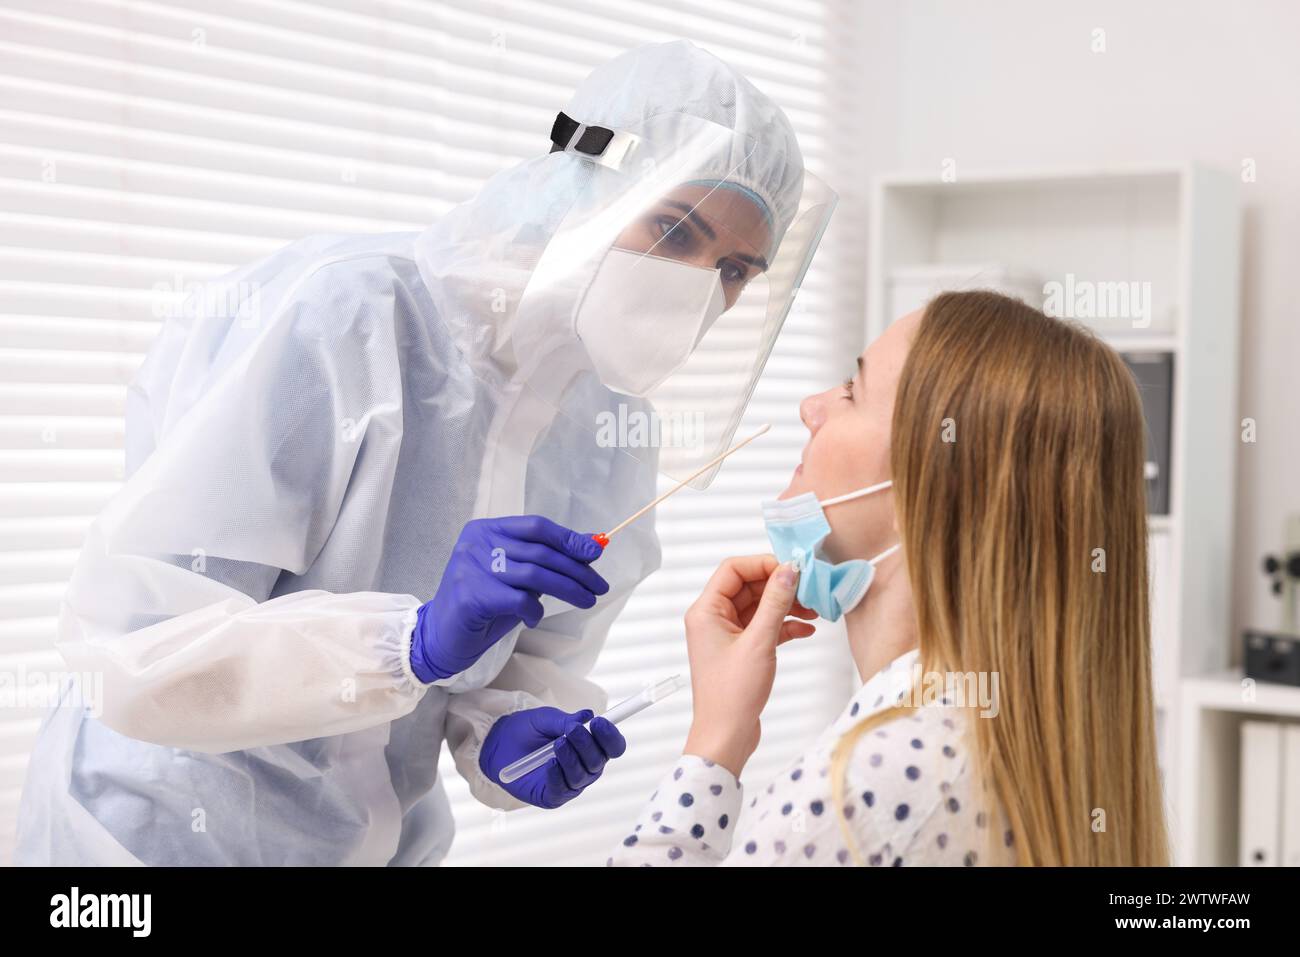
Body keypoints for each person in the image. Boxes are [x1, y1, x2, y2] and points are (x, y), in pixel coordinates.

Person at [14, 40, 834, 866]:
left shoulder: (611, 429)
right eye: (673, 228)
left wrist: (503, 729)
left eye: (734, 269)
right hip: (148, 843)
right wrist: (407, 643)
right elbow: (134, 651)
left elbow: (526, 663)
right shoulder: (344, 318)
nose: (698, 283)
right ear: (586, 176)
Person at [610, 291, 1170, 866]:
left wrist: (711, 748)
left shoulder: (871, 788)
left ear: (934, 488)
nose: (811, 406)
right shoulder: (1041, 747)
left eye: (853, 393)